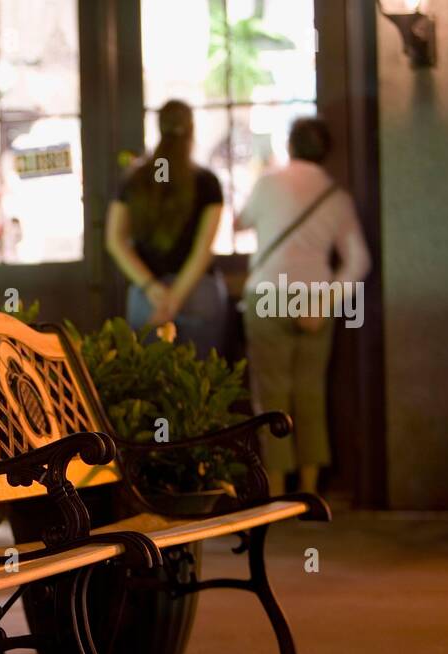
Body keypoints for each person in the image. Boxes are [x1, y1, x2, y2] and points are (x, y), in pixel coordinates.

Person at [236, 116, 371, 496]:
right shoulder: (337, 197)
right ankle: (310, 492)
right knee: (311, 392)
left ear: (290, 146)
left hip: (267, 295)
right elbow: (359, 261)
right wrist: (326, 303)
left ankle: (278, 491)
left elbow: (238, 221)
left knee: (272, 394)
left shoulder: (268, 183)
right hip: (315, 297)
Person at [106, 99, 226, 356]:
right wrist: (177, 298)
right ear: (192, 129)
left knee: (150, 387)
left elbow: (114, 240)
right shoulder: (207, 182)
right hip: (198, 293)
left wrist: (151, 288)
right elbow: (204, 249)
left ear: (159, 127)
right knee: (202, 386)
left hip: (146, 298)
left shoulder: (133, 180)